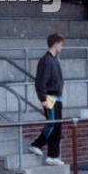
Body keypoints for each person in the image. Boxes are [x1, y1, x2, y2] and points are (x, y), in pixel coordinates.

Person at [28, 33, 67, 166]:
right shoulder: (46, 60)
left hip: (57, 97)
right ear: (55, 44)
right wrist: (43, 98)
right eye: (61, 44)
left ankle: (53, 155)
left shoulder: (55, 60)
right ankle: (36, 144)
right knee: (51, 124)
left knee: (57, 127)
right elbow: (40, 82)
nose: (62, 47)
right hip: (50, 97)